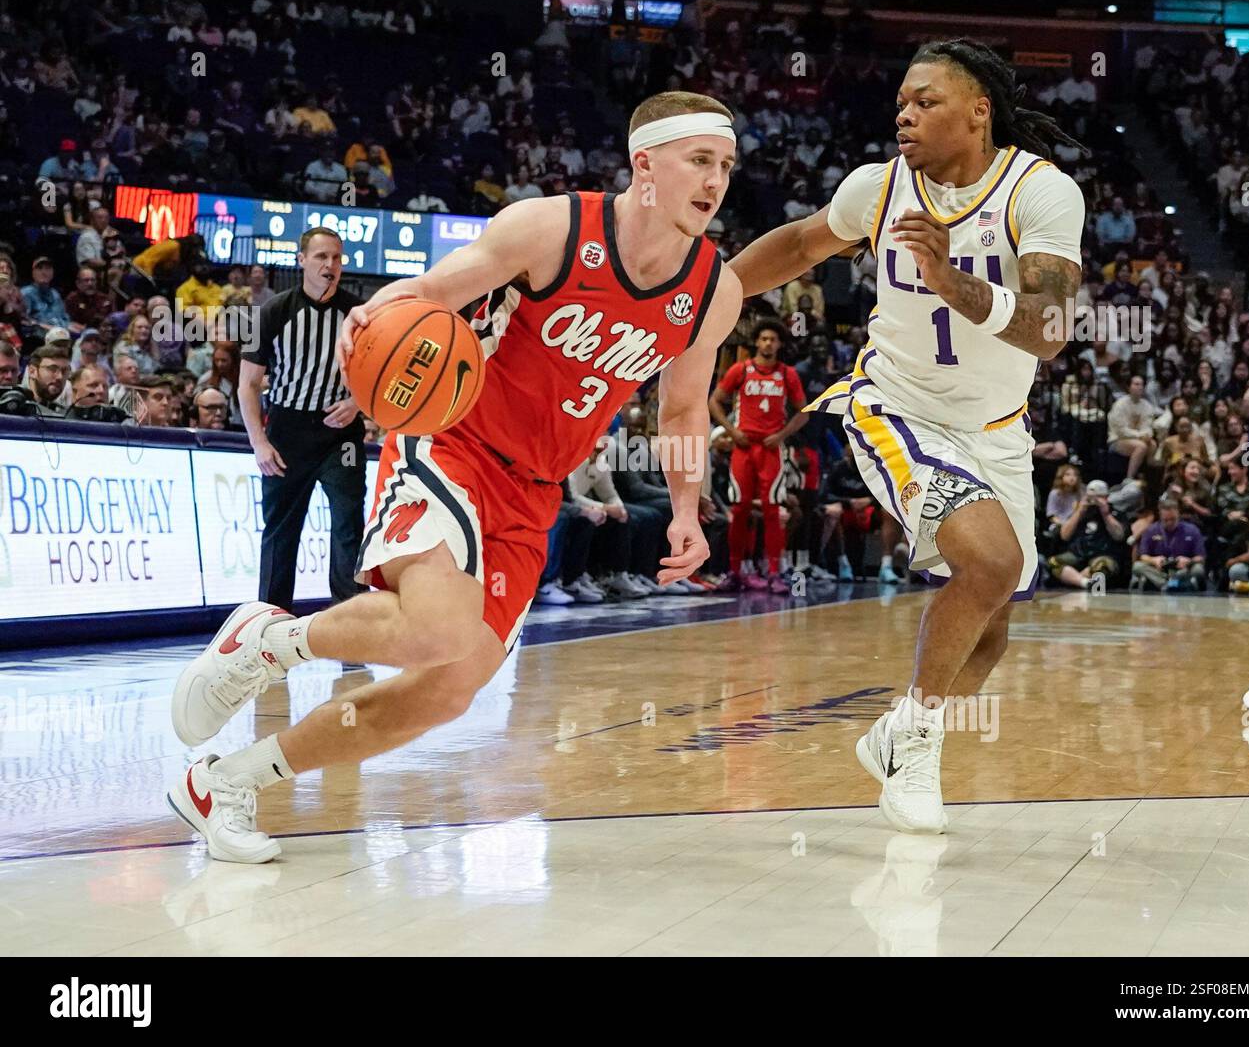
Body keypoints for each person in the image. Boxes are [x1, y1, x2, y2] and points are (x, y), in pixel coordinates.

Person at [168, 91, 743, 863]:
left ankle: (228, 781)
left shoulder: (713, 291)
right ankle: (269, 639)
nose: (715, 181)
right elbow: (432, 293)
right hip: (452, 441)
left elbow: (680, 412)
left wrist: (683, 507)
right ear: (646, 164)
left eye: (727, 166)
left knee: (448, 686)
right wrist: (372, 319)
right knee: (436, 626)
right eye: (699, 161)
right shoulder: (552, 227)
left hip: (535, 488)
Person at [730, 37, 1086, 834]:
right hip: (894, 405)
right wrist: (708, 295)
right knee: (989, 561)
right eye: (901, 101)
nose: (905, 113)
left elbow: (1053, 329)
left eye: (926, 100)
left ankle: (895, 734)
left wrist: (952, 281)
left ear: (978, 111)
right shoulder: (878, 188)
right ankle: (917, 745)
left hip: (995, 430)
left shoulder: (1042, 192)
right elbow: (797, 244)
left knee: (990, 631)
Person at [234, 226, 367, 612]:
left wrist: (357, 402)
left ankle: (351, 620)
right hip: (287, 431)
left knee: (348, 525)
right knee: (281, 531)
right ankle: (269, 622)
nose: (330, 265)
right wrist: (259, 441)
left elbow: (381, 373)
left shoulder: (356, 314)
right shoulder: (273, 311)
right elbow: (248, 385)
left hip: (340, 433)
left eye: (337, 258)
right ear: (302, 261)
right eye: (322, 257)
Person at [708, 320, 808, 593]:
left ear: (780, 344)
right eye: (763, 338)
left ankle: (775, 572)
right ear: (756, 342)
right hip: (743, 447)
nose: (768, 343)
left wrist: (782, 435)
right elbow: (714, 401)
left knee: (772, 511)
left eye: (772, 340)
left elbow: (805, 411)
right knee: (739, 509)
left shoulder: (787, 374)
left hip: (771, 449)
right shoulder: (740, 370)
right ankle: (735, 571)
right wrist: (731, 430)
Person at [1045, 479, 1127, 590]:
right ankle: (1084, 582)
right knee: (1053, 562)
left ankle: (1077, 579)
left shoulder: (1114, 512)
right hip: (1079, 554)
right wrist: (1079, 512)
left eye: (1098, 497)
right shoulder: (1080, 512)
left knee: (1102, 567)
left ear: (1106, 497)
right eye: (1090, 497)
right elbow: (1064, 535)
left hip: (1102, 555)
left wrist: (1106, 514)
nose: (1093, 501)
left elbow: (1119, 536)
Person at [1131, 495, 1207, 591]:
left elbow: (1201, 557)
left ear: (1178, 514)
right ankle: (1167, 585)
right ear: (1160, 516)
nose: (1170, 523)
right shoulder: (1151, 530)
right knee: (1137, 566)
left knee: (1198, 569)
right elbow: (1143, 555)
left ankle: (1173, 583)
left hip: (1182, 569)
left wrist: (1188, 560)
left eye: (1173, 519)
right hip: (1160, 569)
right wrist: (1153, 560)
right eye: (1166, 520)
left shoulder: (1192, 530)